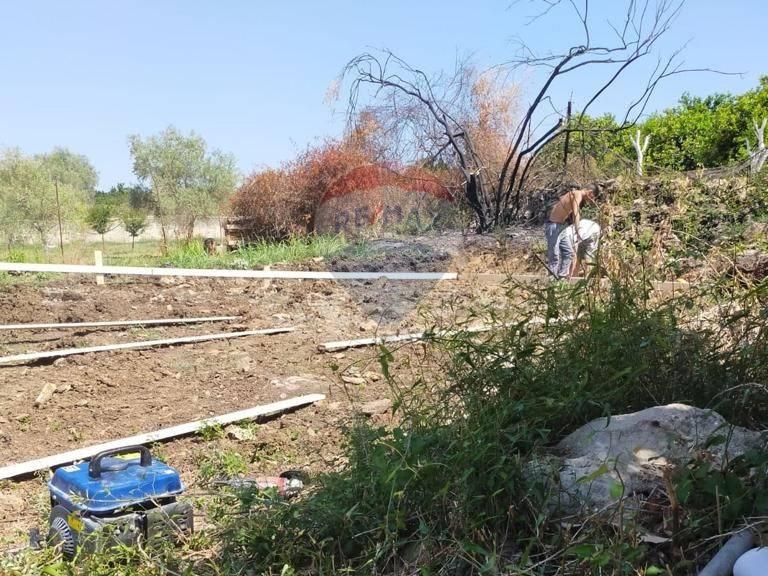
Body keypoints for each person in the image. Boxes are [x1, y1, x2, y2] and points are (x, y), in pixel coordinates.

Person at [545, 183, 601, 278]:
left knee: (568, 253)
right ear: (590, 192)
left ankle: (562, 277)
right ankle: (552, 278)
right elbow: (576, 212)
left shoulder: (572, 194)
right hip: (553, 225)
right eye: (593, 197)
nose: (592, 200)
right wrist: (577, 229)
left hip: (561, 226)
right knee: (554, 254)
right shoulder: (577, 194)